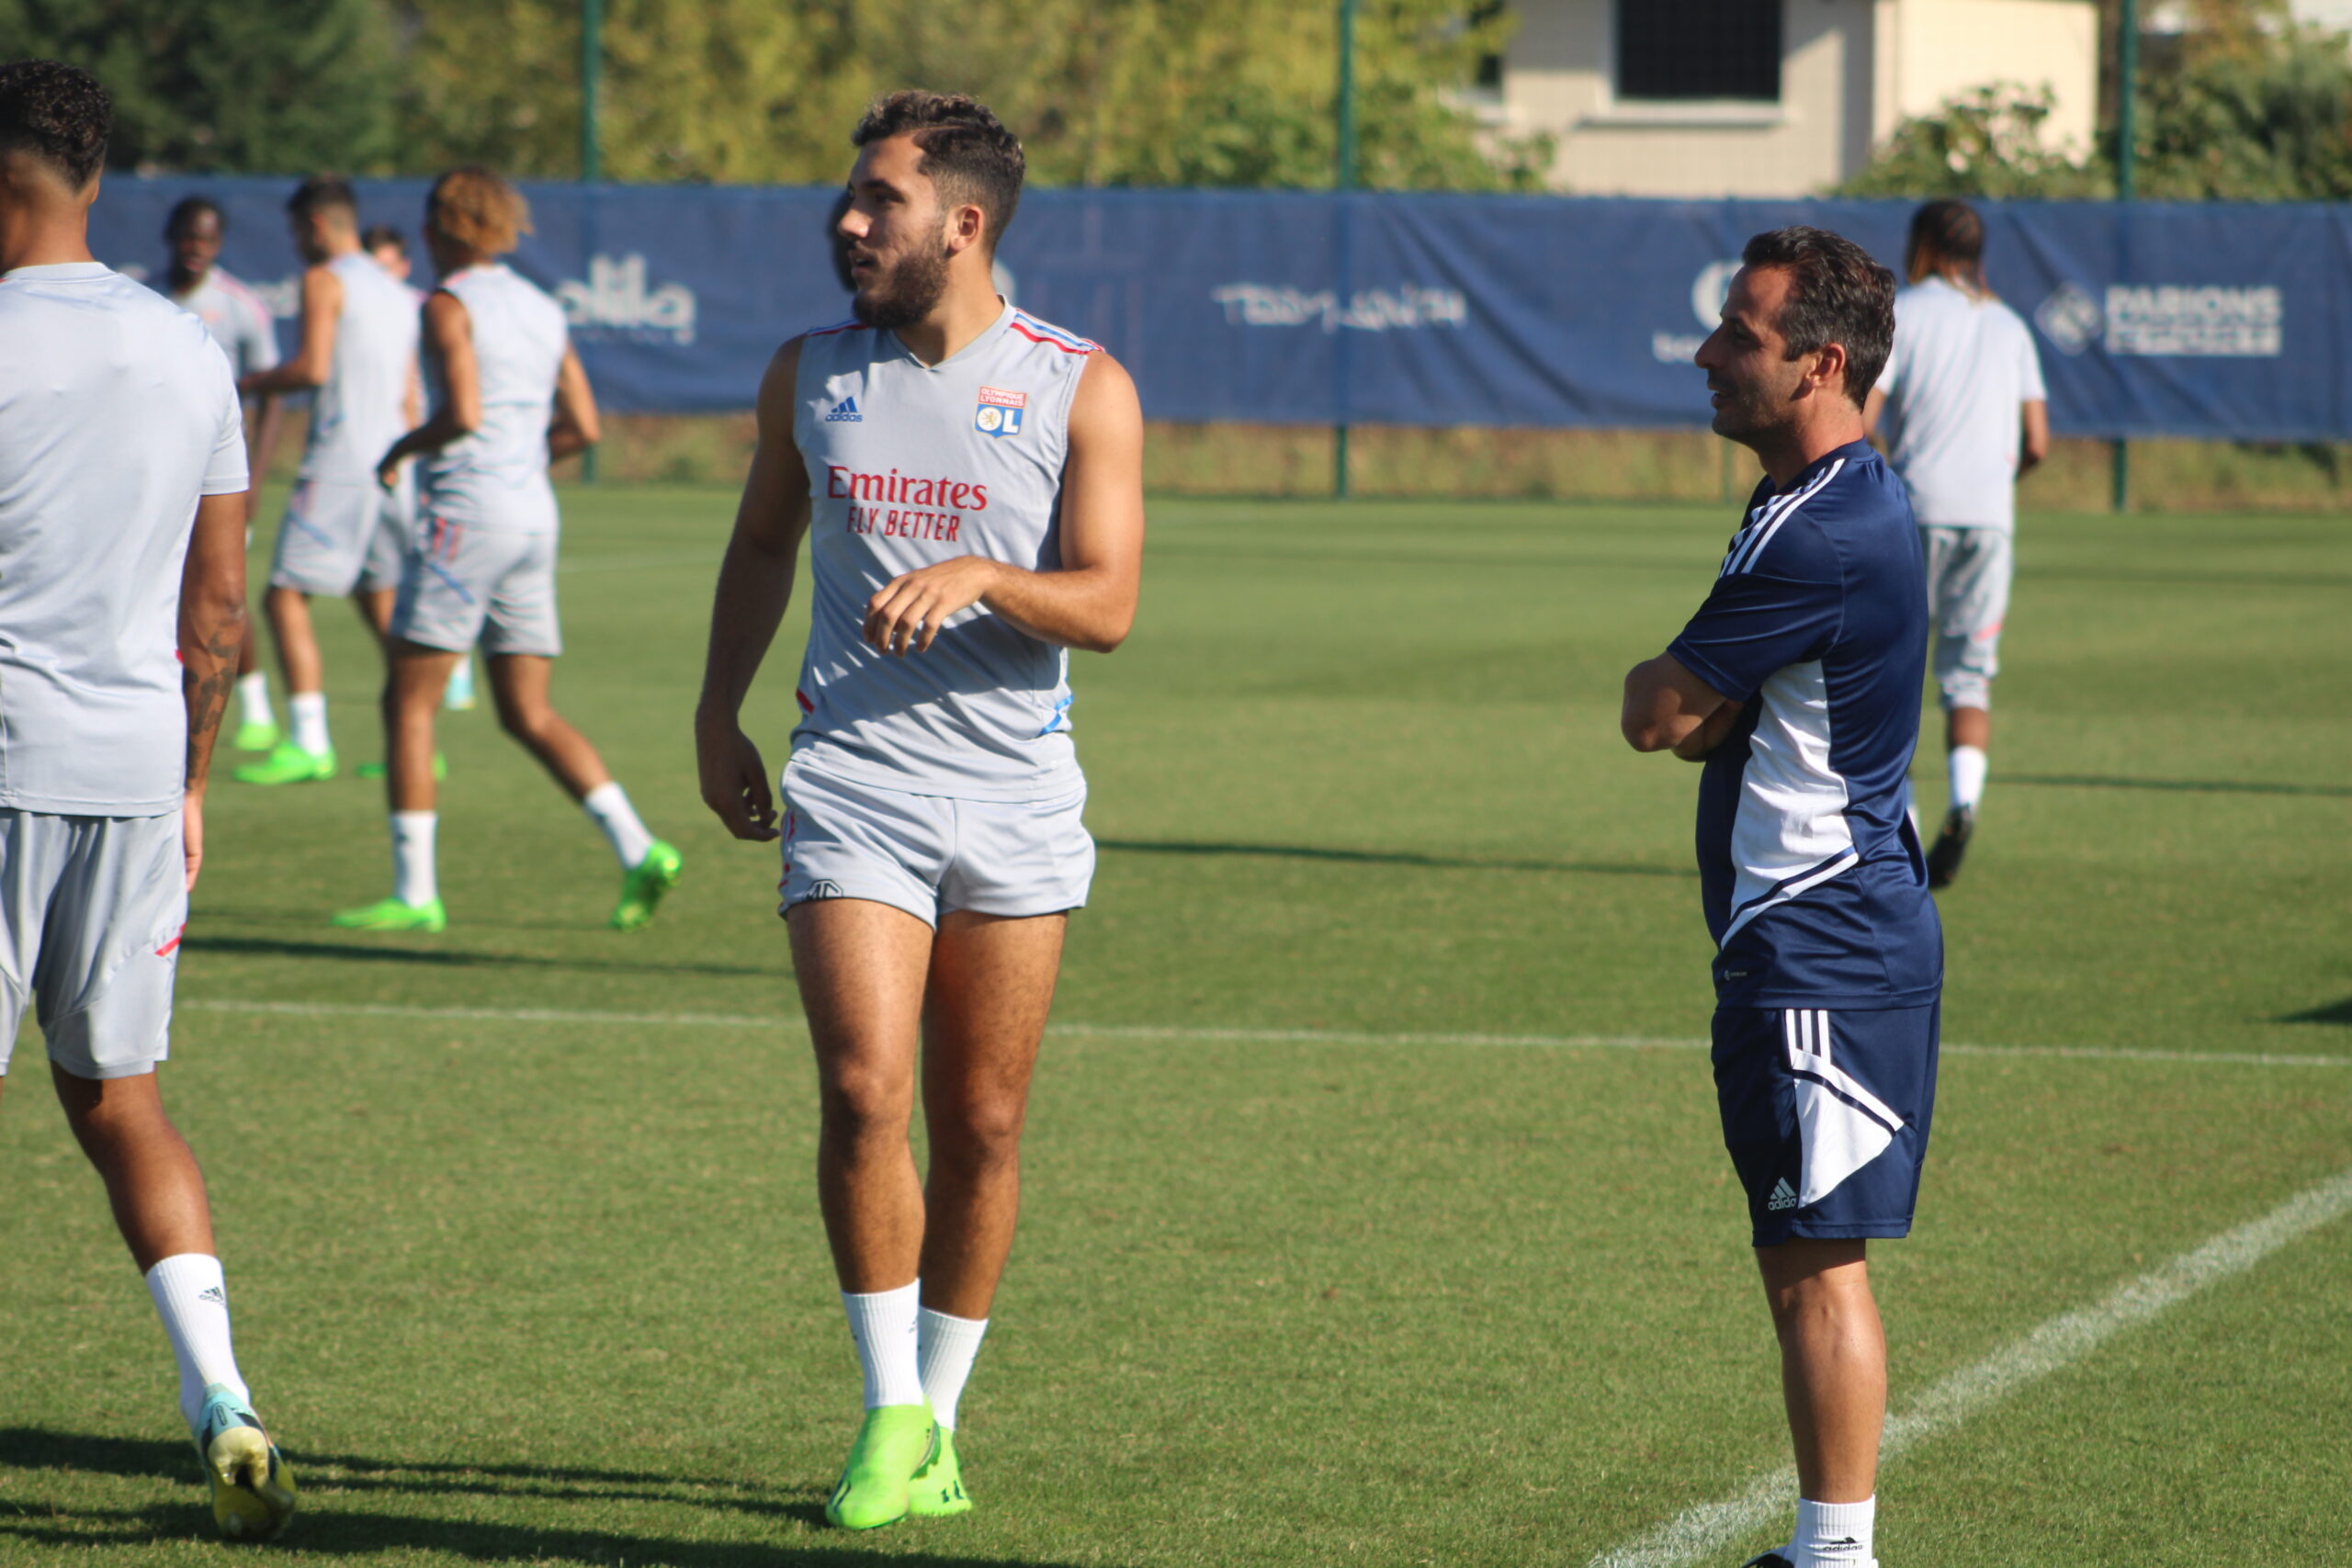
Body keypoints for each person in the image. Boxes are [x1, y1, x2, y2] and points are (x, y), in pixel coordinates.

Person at [695, 91, 1143, 1531]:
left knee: (987, 1119)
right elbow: (765, 536)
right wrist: (718, 709)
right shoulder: (811, 374)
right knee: (862, 1090)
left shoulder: (1083, 382)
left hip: (1018, 795)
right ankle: (888, 1407)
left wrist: (988, 577)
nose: (847, 219)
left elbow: (1110, 603)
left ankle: (939, 1417)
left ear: (962, 224)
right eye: (849, 194)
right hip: (855, 787)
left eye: (878, 200)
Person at [0, 59, 296, 1539]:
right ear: (95, 179)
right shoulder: (187, 346)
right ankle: (223, 1398)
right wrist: (189, 776)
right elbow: (221, 598)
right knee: (124, 1101)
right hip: (129, 775)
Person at [1621, 227, 1941, 1568]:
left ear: (1819, 361)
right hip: (1827, 928)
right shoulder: (1820, 498)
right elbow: (1716, 711)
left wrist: (1695, 702)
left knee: (1817, 1260)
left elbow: (1660, 709)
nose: (1705, 355)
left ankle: (1836, 1554)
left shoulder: (1823, 527)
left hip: (1821, 939)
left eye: (1737, 336)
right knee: (1803, 1248)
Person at [333, 166, 681, 934]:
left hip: (467, 516)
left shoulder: (448, 305)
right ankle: (640, 846)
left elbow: (460, 413)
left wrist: (400, 447)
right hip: (533, 516)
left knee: (408, 700)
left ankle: (415, 891)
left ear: (445, 228)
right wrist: (520, 459)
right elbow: (583, 427)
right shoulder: (540, 305)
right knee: (526, 710)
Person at [1862, 199, 2049, 887]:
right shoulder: (2009, 324)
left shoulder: (1904, 313)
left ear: (1921, 245)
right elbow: (2038, 441)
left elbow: (1864, 416)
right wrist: (1999, 485)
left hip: (1915, 511)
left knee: (1891, 676)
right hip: (1991, 517)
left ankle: (1905, 831)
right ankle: (1964, 803)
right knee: (1969, 675)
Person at [233, 176, 421, 785]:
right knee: (379, 601)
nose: (295, 245)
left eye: (296, 232)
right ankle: (418, 740)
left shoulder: (325, 278)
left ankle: (310, 741)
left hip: (341, 460)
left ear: (316, 225)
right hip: (394, 462)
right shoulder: (395, 290)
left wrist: (249, 382)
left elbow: (312, 367)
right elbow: (411, 392)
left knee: (283, 595)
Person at [158, 196, 288, 755]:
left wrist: (253, 477)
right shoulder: (147, 299)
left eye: (207, 241)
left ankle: (257, 709)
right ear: (172, 237)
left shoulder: (240, 306)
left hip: (220, 477)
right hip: (161, 473)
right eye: (189, 238)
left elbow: (271, 395)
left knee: (220, 588)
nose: (196, 249)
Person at [365, 218, 480, 715]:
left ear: (405, 265)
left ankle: (455, 670)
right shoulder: (370, 313)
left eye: (388, 265)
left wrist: (409, 446)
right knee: (383, 574)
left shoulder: (425, 309)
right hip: (386, 453)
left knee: (425, 564)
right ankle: (444, 666)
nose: (381, 275)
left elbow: (423, 391)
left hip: (416, 455)